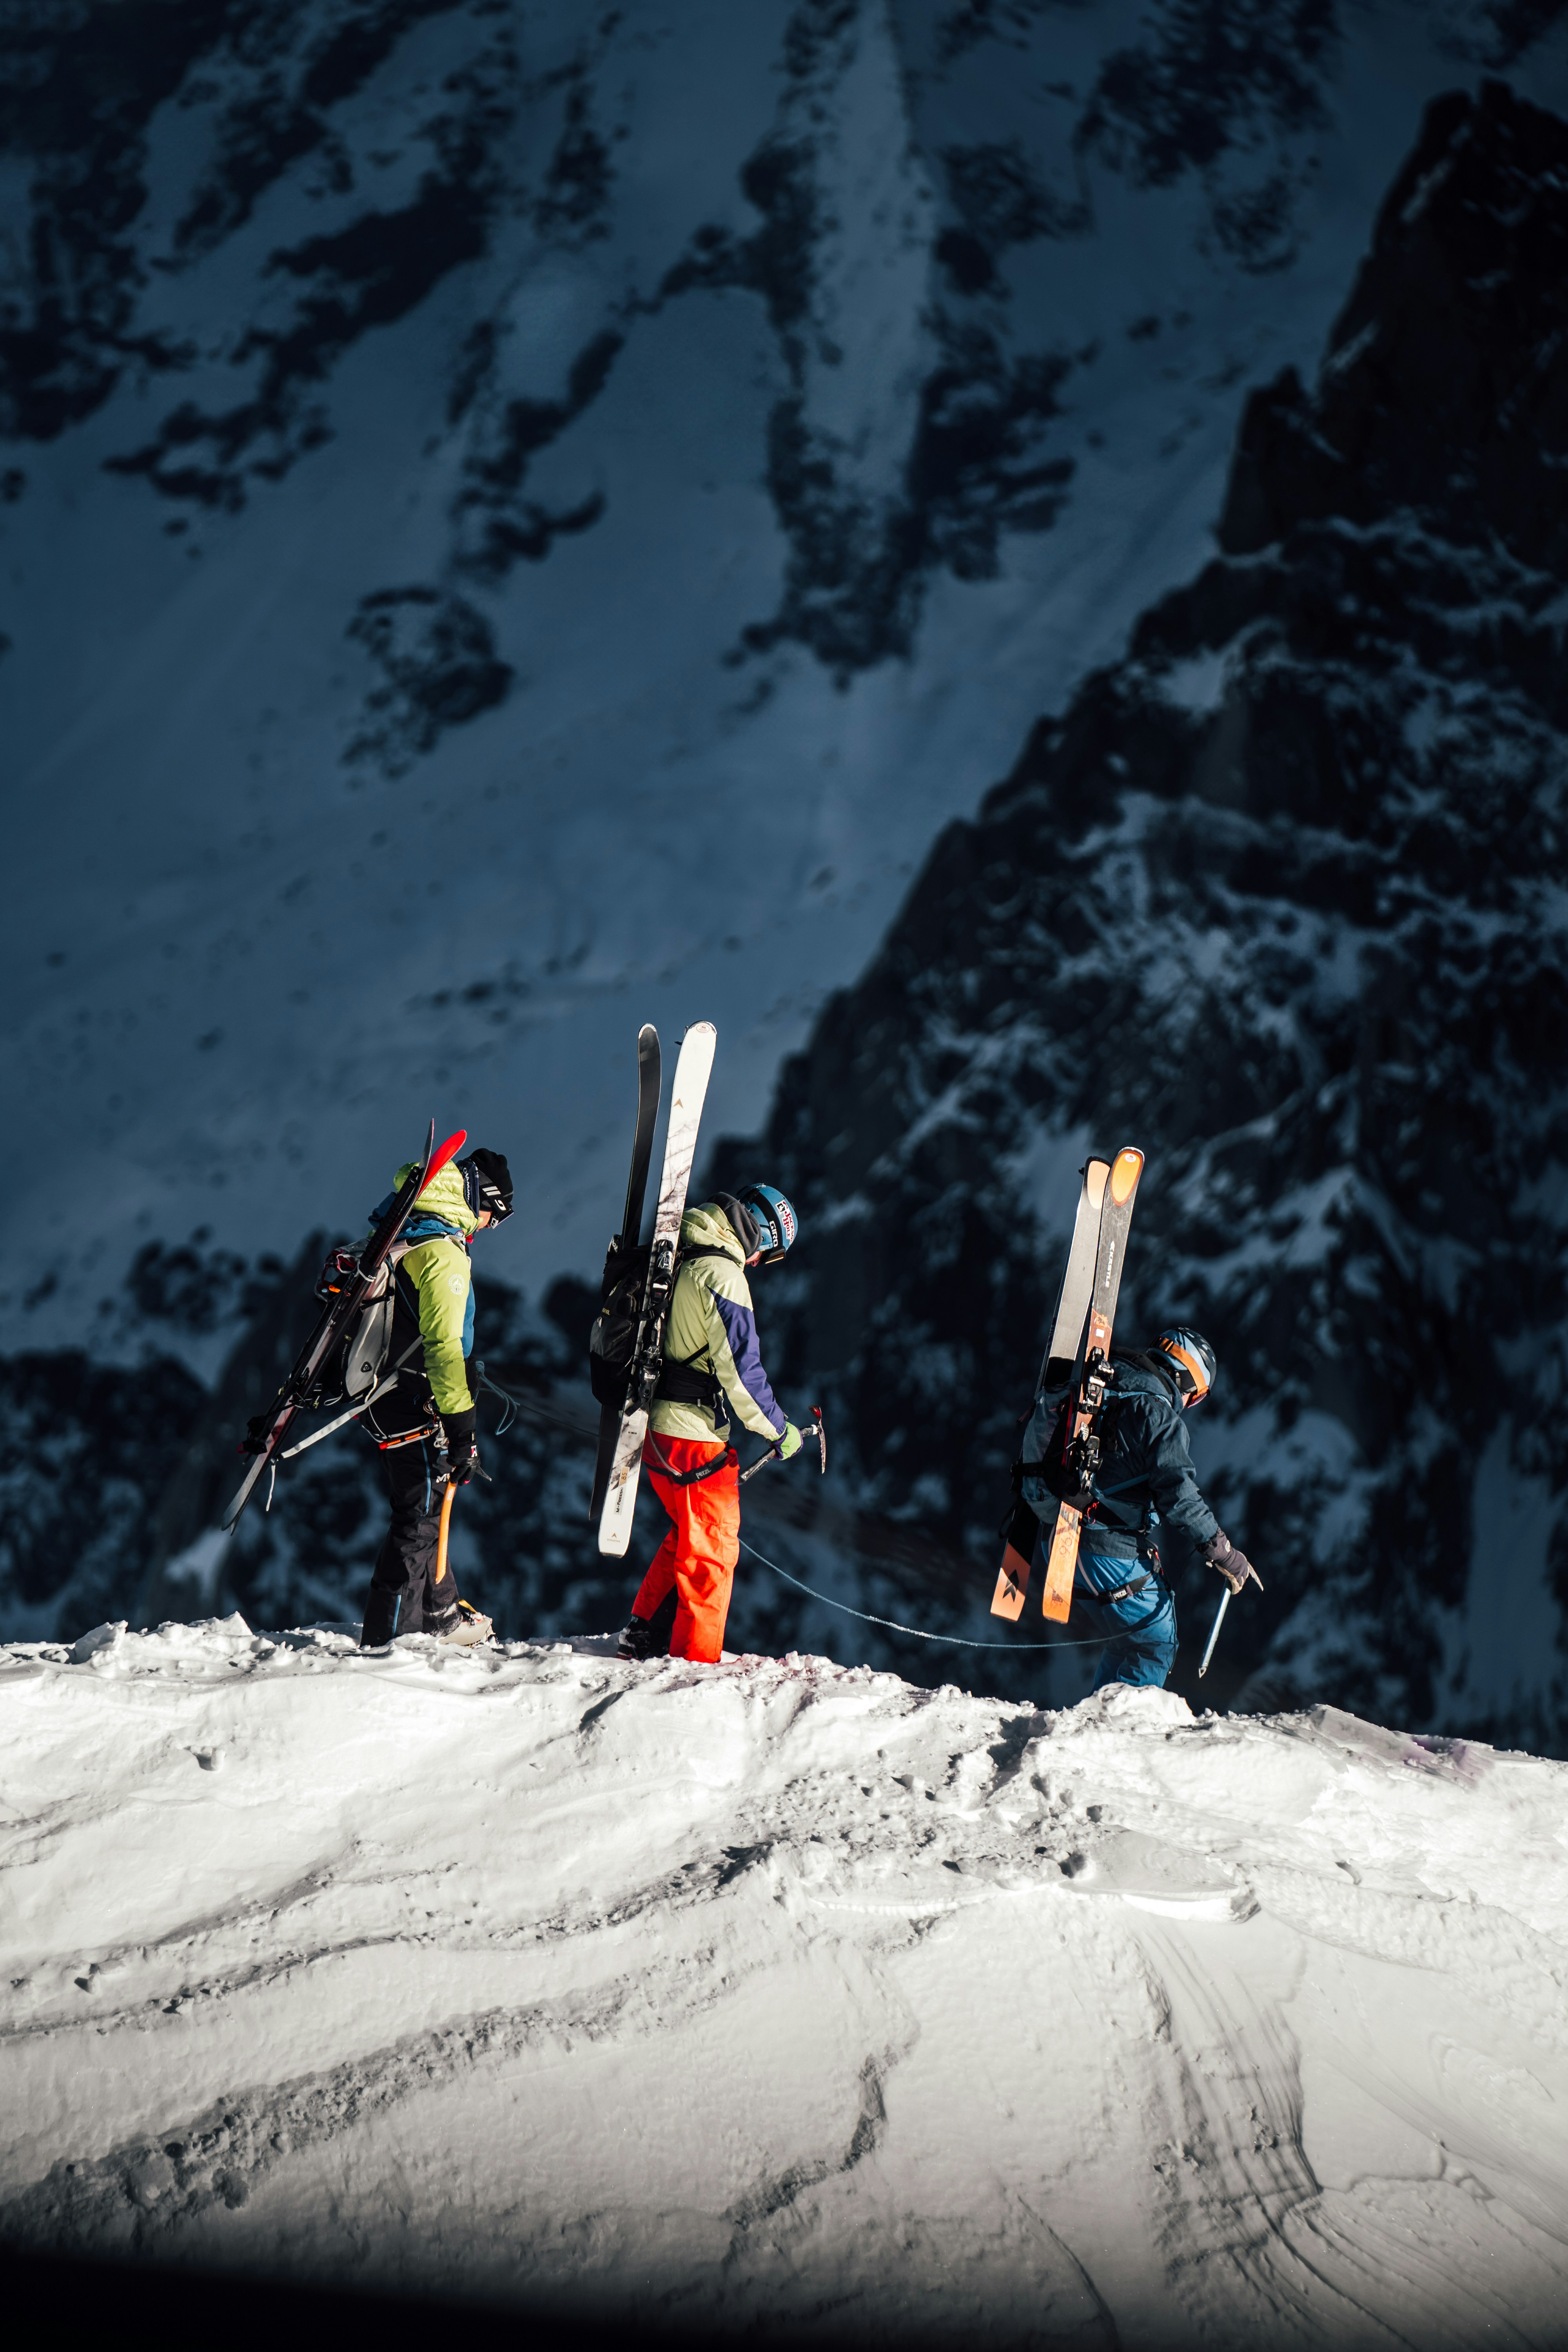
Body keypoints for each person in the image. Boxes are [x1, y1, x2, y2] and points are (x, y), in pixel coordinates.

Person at [617, 1186, 803, 1665]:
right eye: (768, 1253)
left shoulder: (680, 1253)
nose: (759, 1264)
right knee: (712, 1553)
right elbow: (743, 1373)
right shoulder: (723, 1275)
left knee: (687, 1533)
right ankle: (692, 1667)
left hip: (654, 1428)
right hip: (692, 1438)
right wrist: (780, 1431)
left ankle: (646, 1634)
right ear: (761, 1234)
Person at [1022, 1327, 1260, 1691]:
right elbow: (1179, 1496)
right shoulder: (1159, 1414)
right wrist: (1225, 1554)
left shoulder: (1101, 1382)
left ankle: (1100, 1723)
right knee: (1153, 1643)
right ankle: (1118, 1737)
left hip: (1053, 1535)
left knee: (1129, 1642)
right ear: (1188, 1383)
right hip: (1106, 1554)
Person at [358, 1146, 513, 1647]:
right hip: (414, 1402)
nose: (491, 1227)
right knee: (420, 1518)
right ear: (481, 1199)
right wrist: (464, 1427)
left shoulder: (405, 1232)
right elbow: (445, 1346)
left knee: (427, 1508)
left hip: (383, 1393)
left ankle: (439, 1611)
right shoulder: (444, 1254)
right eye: (496, 1214)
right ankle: (391, 1645)